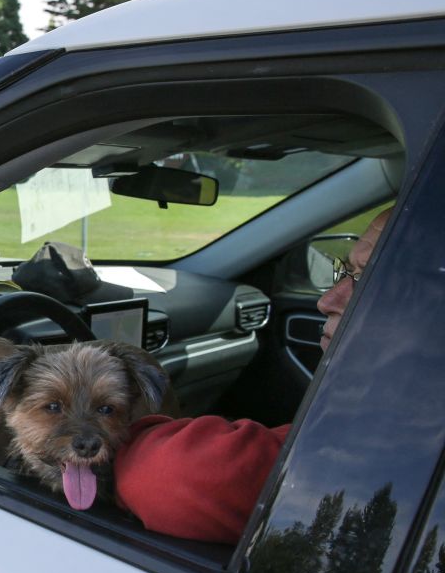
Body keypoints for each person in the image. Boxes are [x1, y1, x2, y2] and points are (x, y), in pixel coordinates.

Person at [113, 208, 392, 544]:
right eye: (343, 272)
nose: (326, 300)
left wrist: (106, 437)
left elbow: (166, 477)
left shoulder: (383, 438)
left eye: (367, 279)